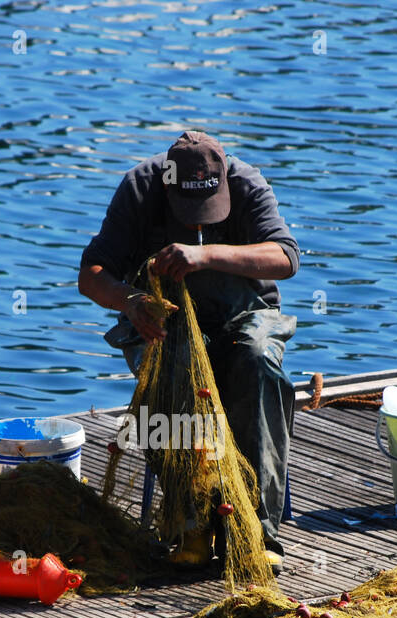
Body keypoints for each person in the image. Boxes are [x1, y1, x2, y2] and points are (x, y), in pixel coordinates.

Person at [78, 131, 299, 571]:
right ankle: (189, 518)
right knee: (173, 367)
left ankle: (256, 528)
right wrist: (130, 300)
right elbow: (91, 273)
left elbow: (286, 258)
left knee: (255, 361)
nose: (198, 223)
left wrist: (207, 256)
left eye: (207, 214)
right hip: (161, 322)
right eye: (188, 214)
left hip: (243, 317)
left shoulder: (247, 183)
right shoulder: (140, 187)